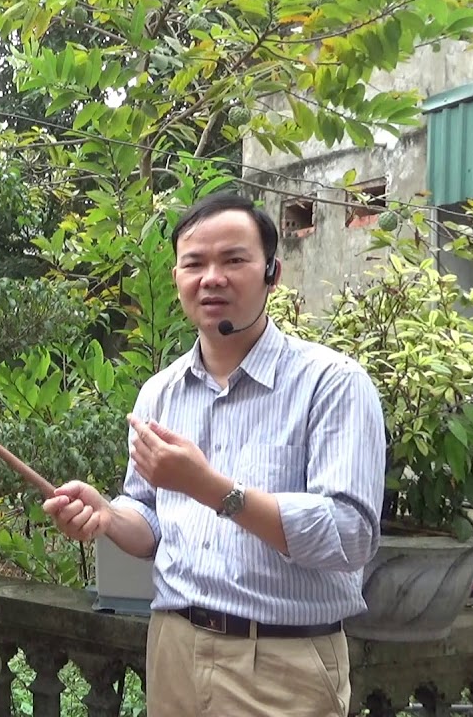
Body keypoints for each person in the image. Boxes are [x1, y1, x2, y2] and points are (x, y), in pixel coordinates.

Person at [43, 192, 385, 717]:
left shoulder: (333, 384)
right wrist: (108, 515)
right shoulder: (161, 393)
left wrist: (210, 488)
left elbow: (350, 535)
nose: (212, 277)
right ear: (177, 277)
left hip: (283, 662)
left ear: (272, 273)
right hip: (175, 651)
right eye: (194, 263)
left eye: (234, 260)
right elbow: (151, 519)